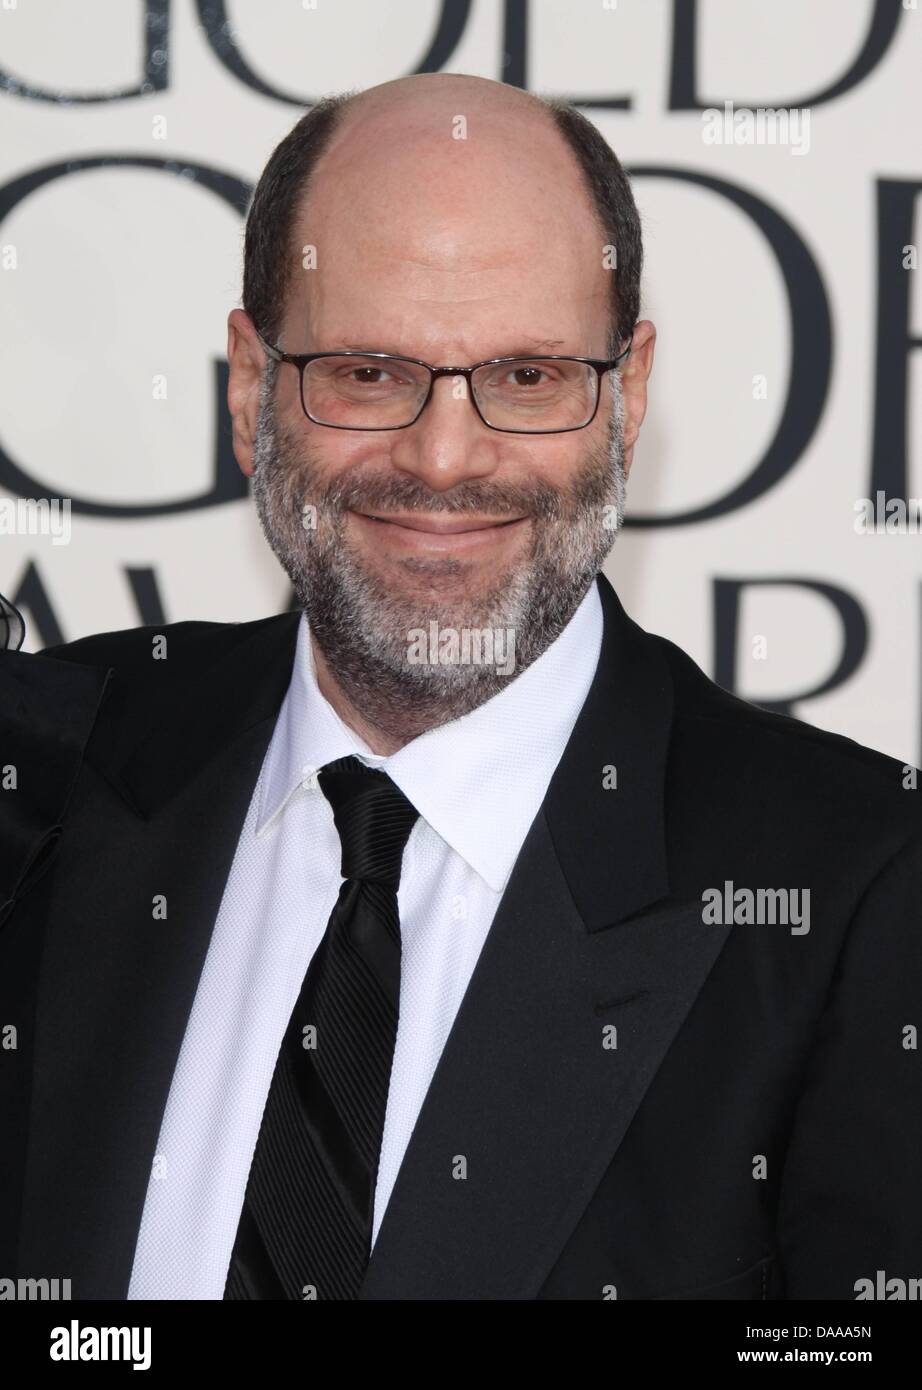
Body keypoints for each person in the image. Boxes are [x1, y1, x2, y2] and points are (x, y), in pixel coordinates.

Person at [1, 72, 920, 1302]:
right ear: (245, 387)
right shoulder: (42, 770)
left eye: (528, 377)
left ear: (626, 396)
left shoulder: (856, 888)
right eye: (369, 372)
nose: (443, 459)